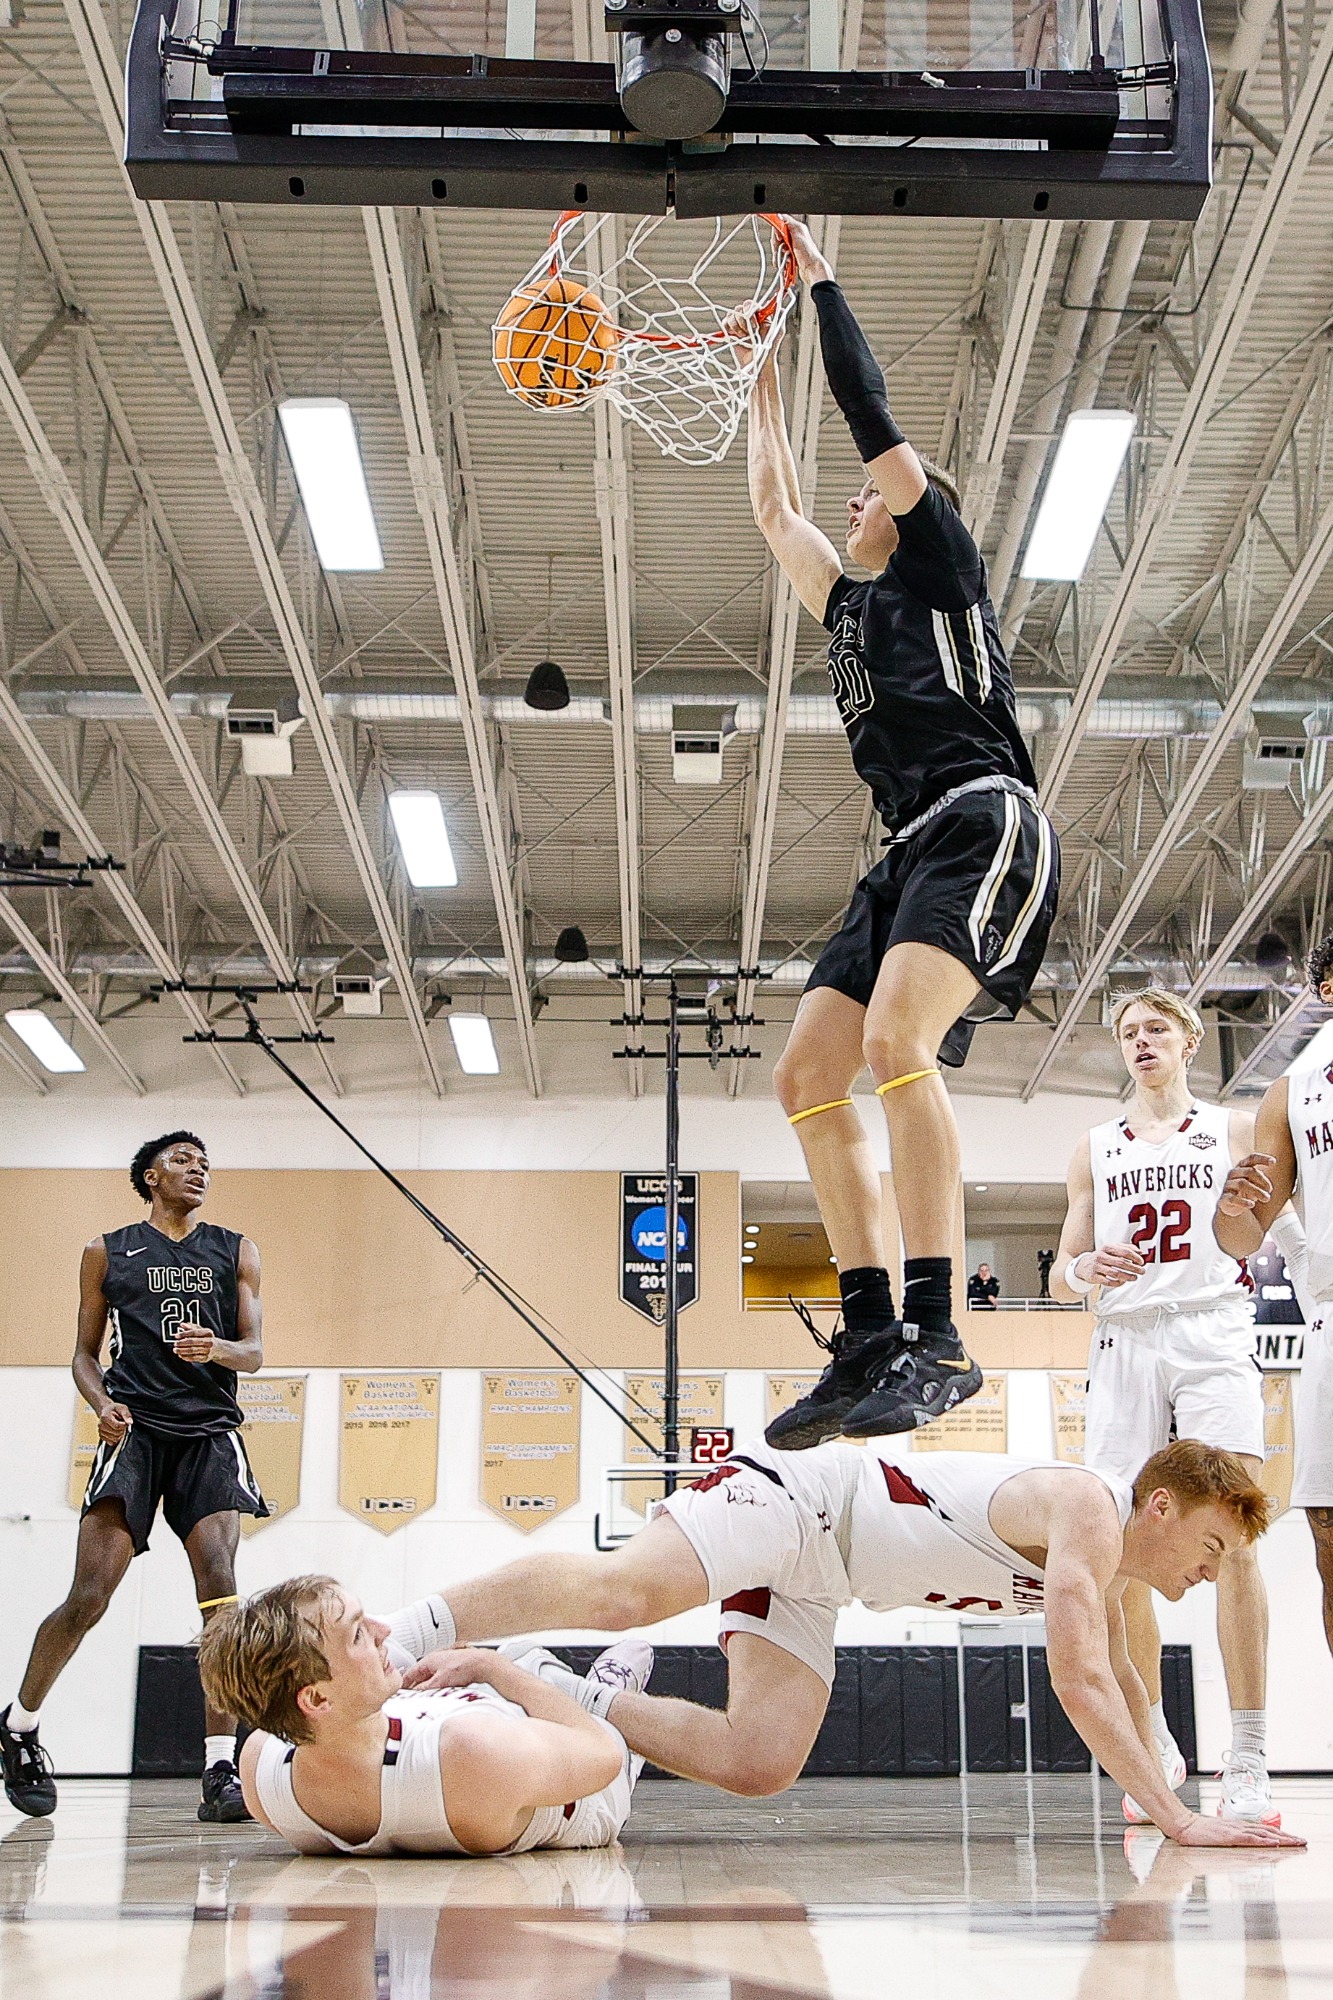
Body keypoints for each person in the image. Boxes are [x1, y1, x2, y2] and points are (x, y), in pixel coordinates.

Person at [746, 217, 1060, 1451]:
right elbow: (773, 499)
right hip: (904, 843)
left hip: (987, 819)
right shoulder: (845, 604)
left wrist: (813, 286)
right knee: (804, 1074)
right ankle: (871, 1328)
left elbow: (868, 414)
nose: (856, 500)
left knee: (893, 1041)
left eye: (870, 496)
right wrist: (748, 358)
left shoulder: (937, 560)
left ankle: (937, 1331)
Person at [391, 1435, 1299, 1848]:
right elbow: (1081, 1681)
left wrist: (1167, 1793)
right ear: (1161, 1506)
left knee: (758, 1761)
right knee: (630, 1592)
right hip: (808, 1500)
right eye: (1212, 1547)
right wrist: (1179, 1822)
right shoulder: (1089, 1510)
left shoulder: (1108, 1568)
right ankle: (410, 1633)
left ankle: (555, 1684)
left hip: (825, 1578)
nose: (1212, 1572)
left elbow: (1134, 1688)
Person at [1050, 989, 1274, 1828]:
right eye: (1125, 1033)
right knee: (1113, 1546)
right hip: (1124, 1336)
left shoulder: (1233, 1129)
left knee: (1238, 1530)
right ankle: (1148, 1732)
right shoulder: (1094, 1147)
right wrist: (1082, 1271)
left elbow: (1256, 1235)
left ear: (1186, 1040)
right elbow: (1059, 1271)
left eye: (1153, 1029)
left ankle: (1247, 1752)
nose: (1139, 1042)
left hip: (1211, 1328)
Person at [0, 1132, 267, 1824]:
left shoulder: (235, 1249)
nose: (199, 1169)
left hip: (208, 1432)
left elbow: (256, 1352)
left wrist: (220, 1348)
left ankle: (218, 1766)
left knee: (221, 1590)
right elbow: (83, 1357)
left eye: (206, 1161)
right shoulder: (107, 1251)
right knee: (89, 1595)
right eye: (183, 1160)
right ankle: (20, 1726)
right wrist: (101, 1404)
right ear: (150, 1176)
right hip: (137, 1432)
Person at [197, 1578, 650, 1857]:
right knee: (523, 1658)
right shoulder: (473, 1751)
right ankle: (602, 1686)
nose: (381, 1629)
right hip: (588, 1789)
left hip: (418, 1739)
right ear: (315, 1699)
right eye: (359, 1633)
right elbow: (601, 1754)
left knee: (416, 1662)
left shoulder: (261, 1763)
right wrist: (494, 1669)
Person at [1212, 928, 1333, 1673]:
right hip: (1328, 1315)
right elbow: (1238, 1237)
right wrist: (1235, 1209)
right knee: (1325, 1524)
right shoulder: (1294, 1088)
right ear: (1325, 989)